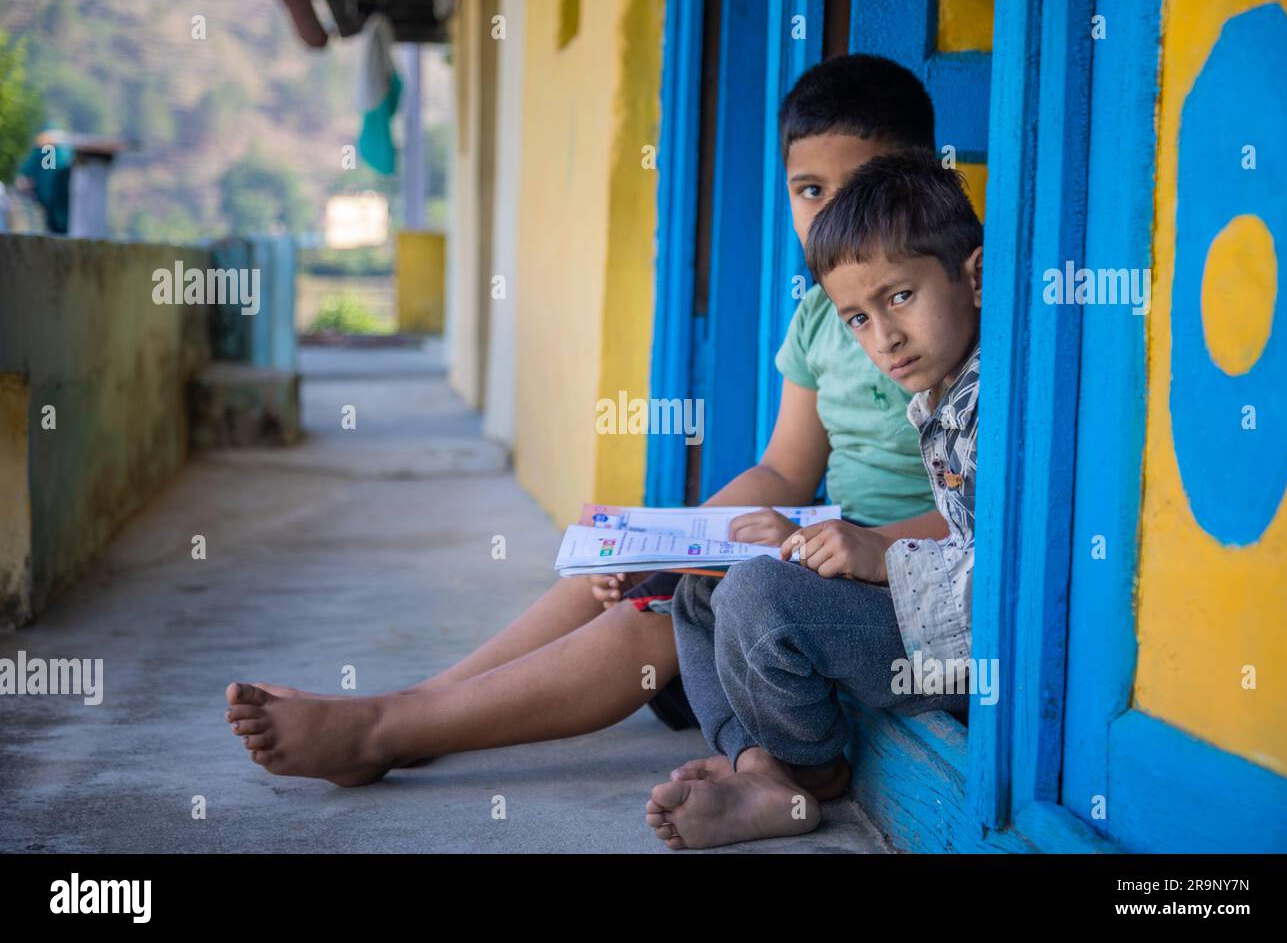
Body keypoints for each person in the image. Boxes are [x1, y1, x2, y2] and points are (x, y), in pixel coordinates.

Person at [223, 55, 949, 788]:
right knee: (615, 572)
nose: (831, 217)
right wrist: (667, 542)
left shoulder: (942, 321)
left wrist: (868, 543)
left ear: (916, 183)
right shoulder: (823, 318)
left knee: (653, 612)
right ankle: (412, 705)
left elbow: (987, 519)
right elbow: (783, 469)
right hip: (815, 544)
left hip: (890, 571)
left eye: (856, 190)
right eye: (810, 191)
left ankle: (386, 732)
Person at [646, 149, 983, 849]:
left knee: (759, 600)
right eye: (857, 318)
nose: (884, 337)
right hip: (925, 613)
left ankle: (810, 771)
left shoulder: (998, 401)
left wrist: (886, 556)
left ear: (973, 277)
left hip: (964, 646)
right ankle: (759, 765)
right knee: (700, 592)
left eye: (900, 297)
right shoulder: (938, 395)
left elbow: (1010, 580)